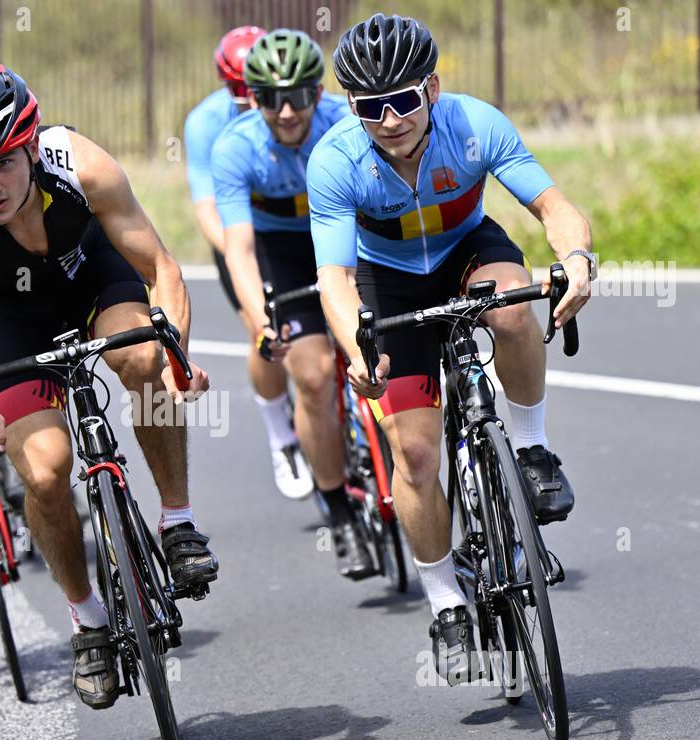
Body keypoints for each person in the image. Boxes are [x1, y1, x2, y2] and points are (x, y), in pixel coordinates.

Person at [0, 64, 219, 709]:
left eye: (2, 163)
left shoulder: (82, 166)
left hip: (91, 280)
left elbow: (160, 268)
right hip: (9, 317)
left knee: (140, 358)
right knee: (47, 472)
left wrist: (177, 359)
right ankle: (88, 621)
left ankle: (178, 519)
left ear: (29, 145)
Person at [308, 14, 593, 680]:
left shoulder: (474, 126)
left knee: (516, 311)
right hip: (389, 281)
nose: (389, 119)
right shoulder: (336, 161)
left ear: (431, 88)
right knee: (413, 454)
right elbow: (335, 279)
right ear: (351, 107)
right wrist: (357, 346)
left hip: (468, 248)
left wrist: (576, 257)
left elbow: (552, 205)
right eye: (369, 107)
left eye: (403, 100)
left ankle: (530, 450)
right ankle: (443, 601)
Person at [212, 28, 374, 579]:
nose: (286, 112)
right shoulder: (235, 148)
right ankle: (338, 508)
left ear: (320, 91)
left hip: (347, 234)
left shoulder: (346, 127)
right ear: (250, 98)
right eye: (269, 99)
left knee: (381, 352)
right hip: (283, 250)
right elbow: (239, 250)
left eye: (300, 96)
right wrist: (261, 320)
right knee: (311, 375)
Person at [183, 26, 314, 501]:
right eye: (241, 91)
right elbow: (207, 210)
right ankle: (281, 430)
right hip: (243, 235)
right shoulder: (206, 124)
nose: (252, 101)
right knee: (267, 331)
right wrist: (247, 266)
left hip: (306, 225)